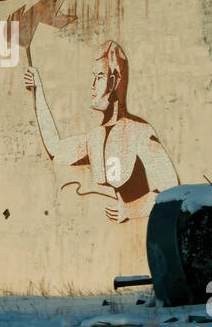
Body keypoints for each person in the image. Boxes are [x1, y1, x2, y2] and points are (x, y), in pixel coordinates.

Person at [24, 40, 178, 222]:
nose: (92, 84)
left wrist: (130, 210)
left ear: (113, 82)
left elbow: (171, 190)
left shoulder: (139, 132)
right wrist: (38, 90)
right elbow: (56, 150)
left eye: (99, 77)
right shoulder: (95, 138)